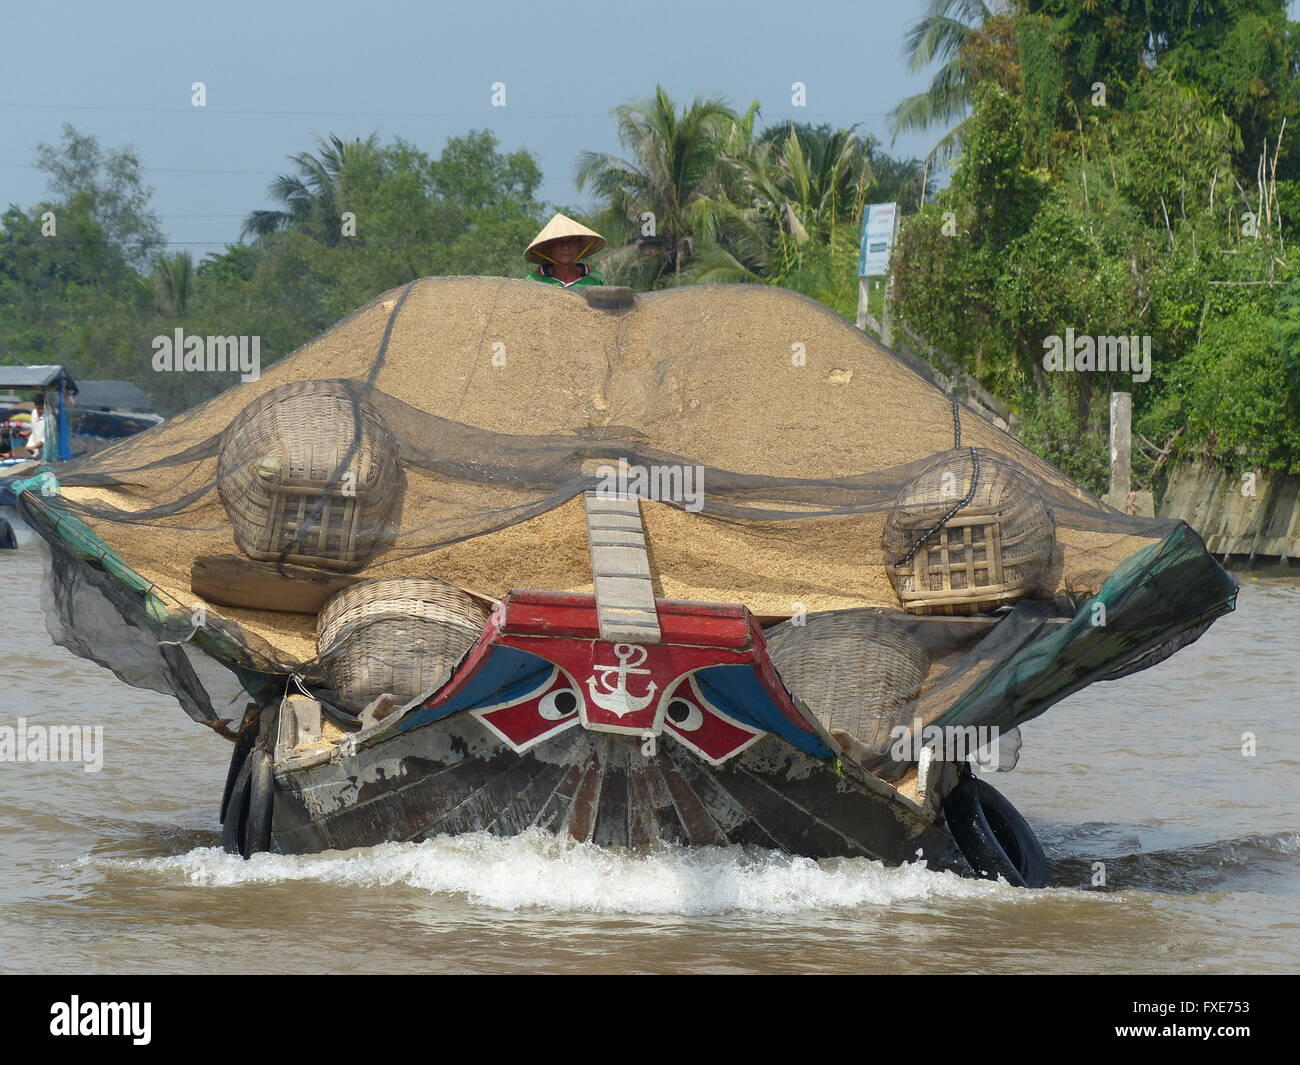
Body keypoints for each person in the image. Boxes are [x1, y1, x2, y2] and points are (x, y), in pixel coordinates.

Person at [525, 213, 607, 287]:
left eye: (571, 241)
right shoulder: (534, 281)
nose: (565, 247)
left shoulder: (596, 279)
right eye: (558, 242)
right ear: (549, 248)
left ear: (579, 247)